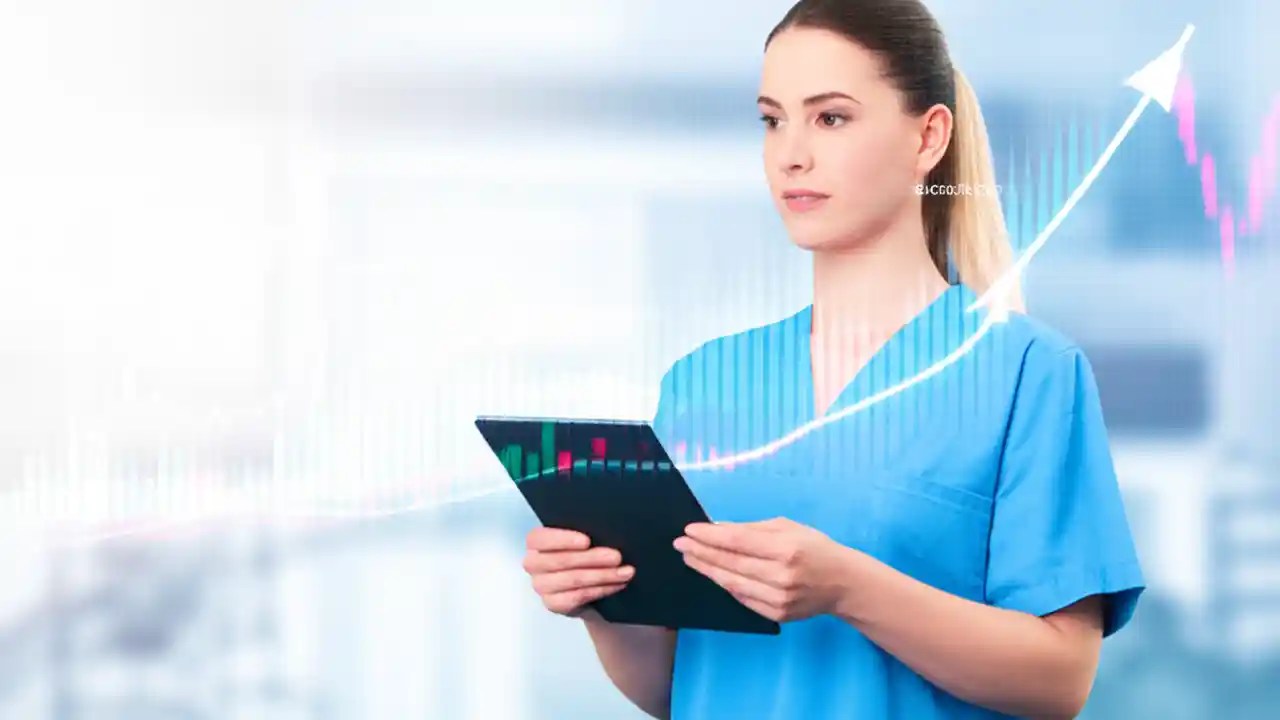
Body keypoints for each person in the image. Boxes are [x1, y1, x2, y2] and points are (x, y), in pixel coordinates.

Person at [520, 1, 1145, 718]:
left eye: (831, 118)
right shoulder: (701, 382)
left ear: (928, 137)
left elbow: (1060, 680)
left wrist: (848, 587)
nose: (791, 153)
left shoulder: (1027, 374)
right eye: (771, 119)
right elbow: (673, 688)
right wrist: (605, 605)